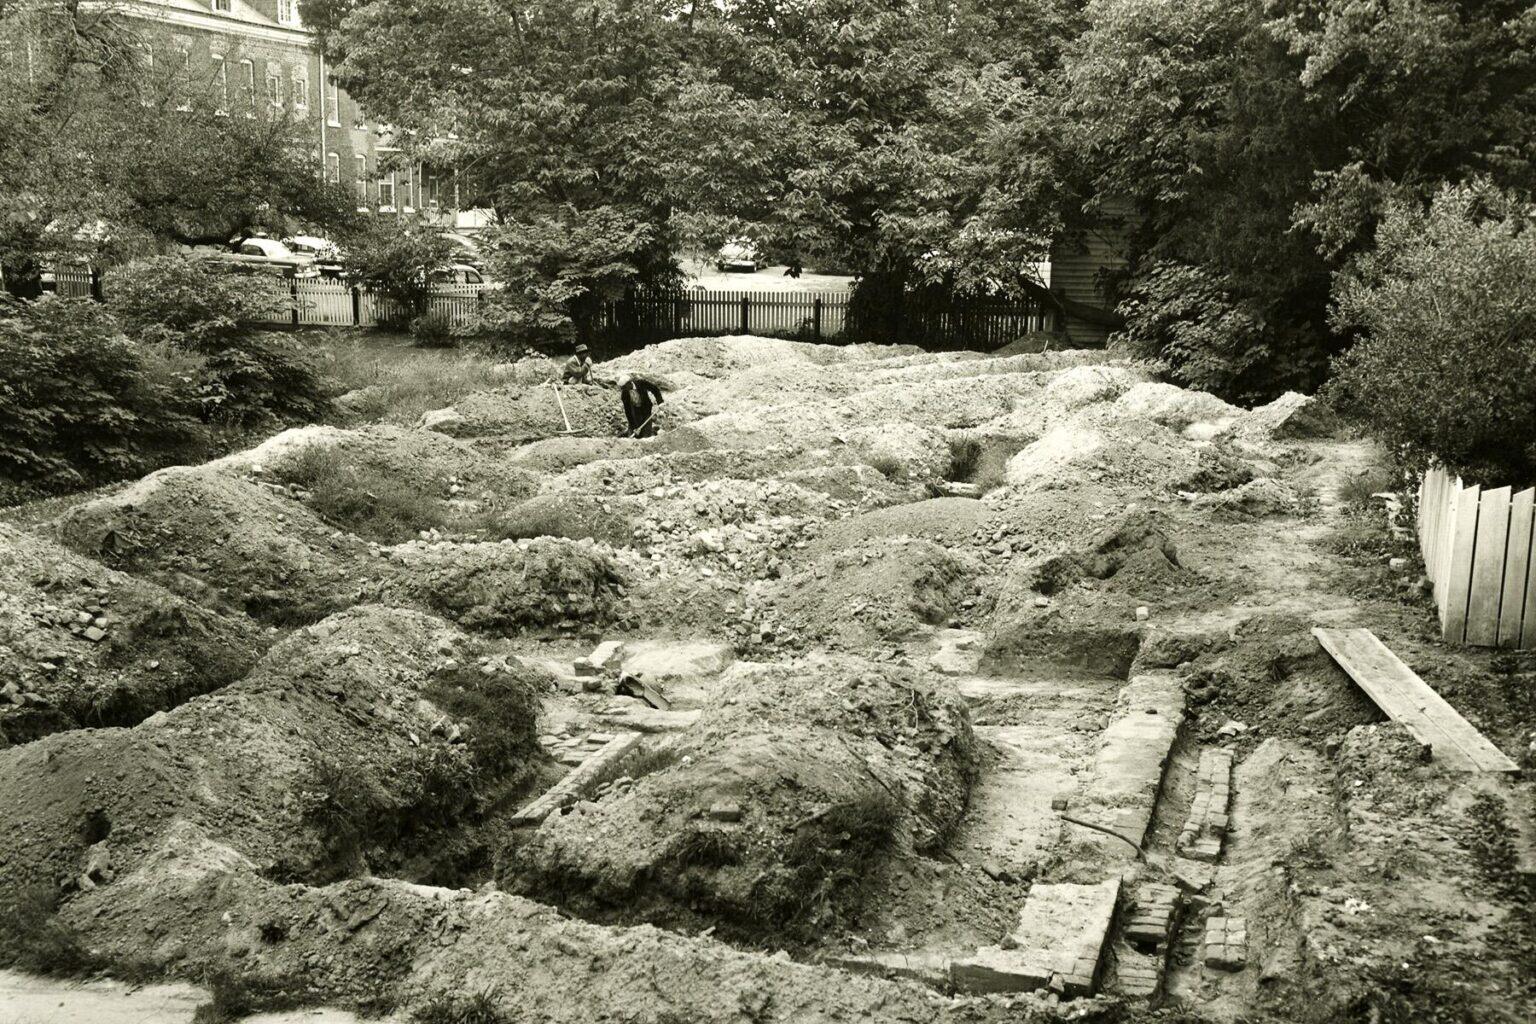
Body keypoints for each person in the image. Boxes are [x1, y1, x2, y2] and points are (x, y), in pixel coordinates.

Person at [618, 373, 665, 438]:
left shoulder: (641, 383)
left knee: (646, 436)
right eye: (622, 388)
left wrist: (660, 402)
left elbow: (655, 389)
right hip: (635, 413)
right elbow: (628, 411)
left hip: (646, 410)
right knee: (634, 435)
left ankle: (653, 431)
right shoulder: (624, 394)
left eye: (624, 387)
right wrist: (633, 426)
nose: (623, 390)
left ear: (629, 383)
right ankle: (627, 433)